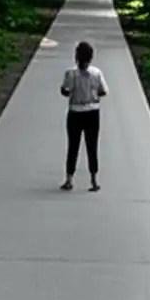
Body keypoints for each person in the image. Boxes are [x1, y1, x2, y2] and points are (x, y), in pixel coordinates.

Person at [60, 41, 107, 191]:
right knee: (92, 146)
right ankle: (93, 180)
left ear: (76, 57)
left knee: (73, 146)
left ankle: (69, 179)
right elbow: (104, 91)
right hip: (93, 112)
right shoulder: (97, 73)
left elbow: (65, 91)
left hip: (75, 112)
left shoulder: (70, 73)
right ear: (91, 58)